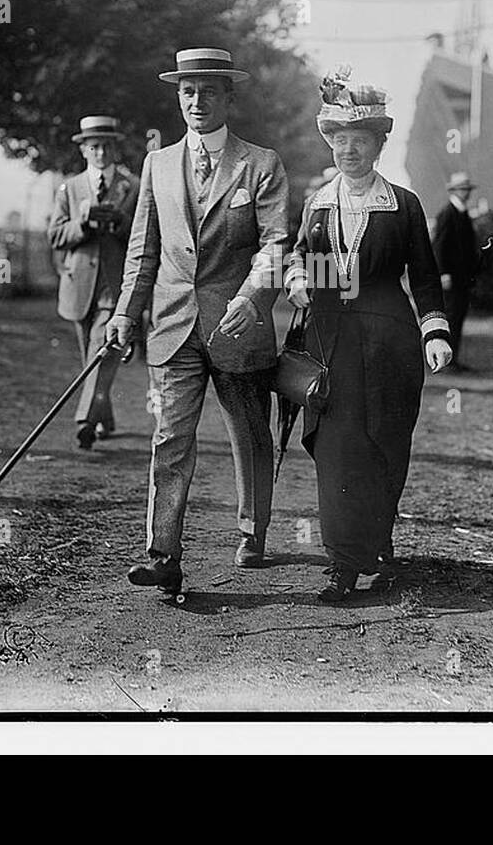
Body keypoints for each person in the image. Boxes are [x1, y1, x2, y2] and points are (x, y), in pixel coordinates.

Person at [106, 47, 288, 593]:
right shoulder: (157, 165)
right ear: (178, 97)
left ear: (229, 98)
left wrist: (253, 297)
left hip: (238, 325)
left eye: (209, 90)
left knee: (250, 433)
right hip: (174, 324)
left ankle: (252, 530)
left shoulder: (261, 164)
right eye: (188, 90)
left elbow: (278, 243)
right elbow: (143, 251)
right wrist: (124, 313)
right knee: (170, 438)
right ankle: (163, 553)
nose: (197, 100)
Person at [286, 69, 453, 603]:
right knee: (337, 450)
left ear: (379, 144)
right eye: (340, 140)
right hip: (329, 345)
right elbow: (297, 257)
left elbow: (424, 275)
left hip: (389, 345)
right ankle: (341, 563)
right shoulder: (317, 203)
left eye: (359, 140)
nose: (348, 150)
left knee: (384, 445)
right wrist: (296, 281)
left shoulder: (403, 204)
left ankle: (378, 550)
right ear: (330, 143)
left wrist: (434, 332)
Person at [48, 115, 140, 449]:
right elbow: (55, 235)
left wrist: (120, 222)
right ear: (84, 151)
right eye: (94, 147)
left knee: (102, 348)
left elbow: (144, 236)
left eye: (106, 146)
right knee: (93, 356)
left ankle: (86, 420)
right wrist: (82, 224)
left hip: (115, 286)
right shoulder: (70, 188)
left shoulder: (134, 186)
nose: (101, 152)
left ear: (115, 149)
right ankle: (106, 417)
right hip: (78, 284)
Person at [431, 171, 481, 369]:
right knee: (450, 316)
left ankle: (452, 359)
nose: (466, 193)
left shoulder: (462, 213)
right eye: (462, 189)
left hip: (461, 277)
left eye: (467, 189)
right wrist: (443, 274)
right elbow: (439, 247)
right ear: (453, 191)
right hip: (451, 277)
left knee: (457, 316)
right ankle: (444, 360)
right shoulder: (448, 214)